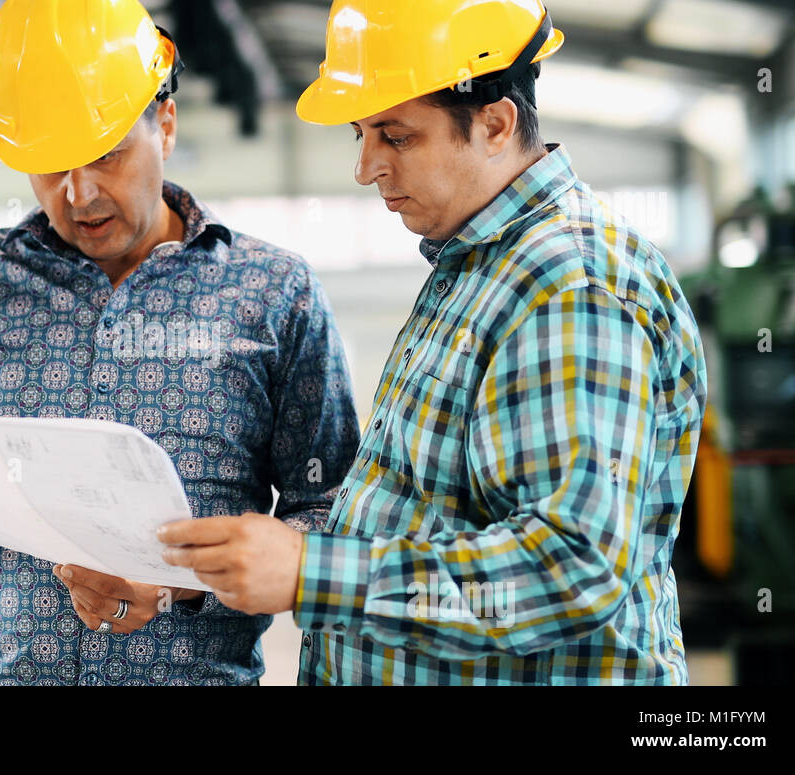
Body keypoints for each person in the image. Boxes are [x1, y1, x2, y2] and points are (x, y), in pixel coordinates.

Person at [160, 0, 708, 685]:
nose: (366, 167)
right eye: (360, 134)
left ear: (495, 124)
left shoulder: (570, 285)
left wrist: (312, 573)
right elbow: (410, 511)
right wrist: (209, 570)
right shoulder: (475, 263)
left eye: (396, 136)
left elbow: (570, 569)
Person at [0, 0, 359, 685]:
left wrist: (187, 580)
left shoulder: (273, 294)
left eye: (105, 154)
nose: (78, 193)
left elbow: (336, 513)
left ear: (166, 124)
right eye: (49, 165)